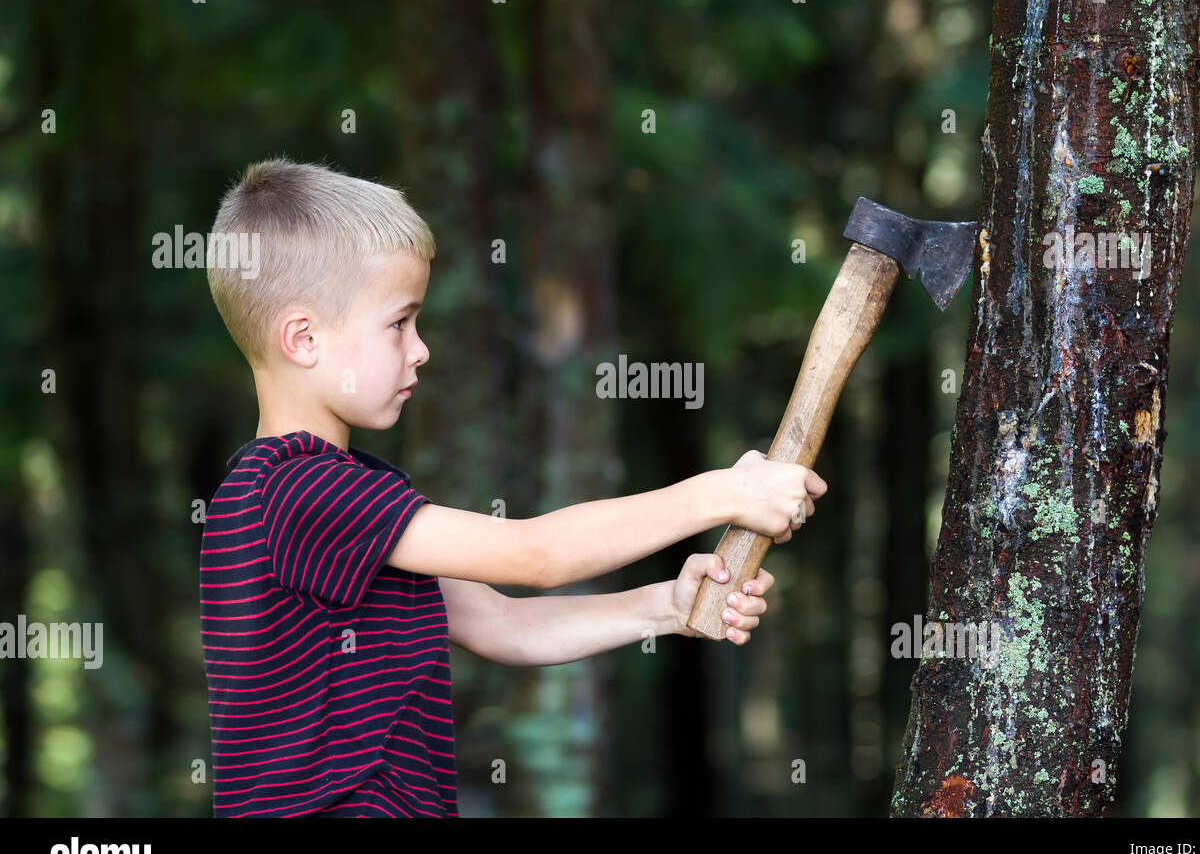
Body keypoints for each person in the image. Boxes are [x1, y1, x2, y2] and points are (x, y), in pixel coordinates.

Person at [199, 157, 826, 817]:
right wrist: (723, 493)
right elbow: (536, 555)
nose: (421, 349)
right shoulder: (294, 490)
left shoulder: (342, 493)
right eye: (399, 323)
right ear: (303, 337)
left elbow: (504, 623)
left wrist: (666, 607)